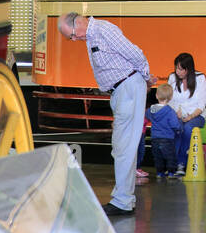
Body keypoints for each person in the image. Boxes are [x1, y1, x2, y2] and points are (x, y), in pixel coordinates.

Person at [58, 11, 154, 217]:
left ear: (79, 23)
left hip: (128, 87)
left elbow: (136, 54)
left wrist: (145, 79)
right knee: (122, 146)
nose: (74, 40)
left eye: (72, 35)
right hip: (121, 90)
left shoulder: (103, 30)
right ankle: (123, 198)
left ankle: (123, 201)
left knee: (124, 146)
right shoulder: (91, 35)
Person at [168, 52, 206, 172]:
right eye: (176, 68)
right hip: (177, 114)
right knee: (177, 127)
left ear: (188, 69)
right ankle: (172, 163)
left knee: (187, 128)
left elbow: (201, 105)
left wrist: (190, 117)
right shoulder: (172, 78)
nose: (177, 71)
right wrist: (176, 112)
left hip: (197, 115)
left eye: (181, 69)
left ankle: (181, 163)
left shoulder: (200, 78)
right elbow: (169, 100)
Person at [146, 83, 182, 179]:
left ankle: (159, 173)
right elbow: (175, 125)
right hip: (167, 138)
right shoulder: (170, 111)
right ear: (170, 98)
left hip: (154, 138)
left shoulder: (151, 110)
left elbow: (147, 115)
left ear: (157, 95)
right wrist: (179, 121)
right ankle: (171, 173)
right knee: (170, 156)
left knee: (158, 157)